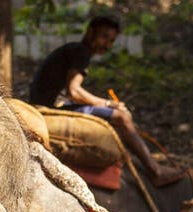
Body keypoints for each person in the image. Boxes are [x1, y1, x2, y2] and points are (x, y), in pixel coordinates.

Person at [29, 14, 182, 187]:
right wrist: (109, 104)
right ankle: (156, 170)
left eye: (111, 40)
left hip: (51, 103)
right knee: (122, 117)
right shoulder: (81, 52)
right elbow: (74, 91)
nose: (107, 44)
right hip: (51, 108)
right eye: (104, 37)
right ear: (90, 32)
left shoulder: (74, 50)